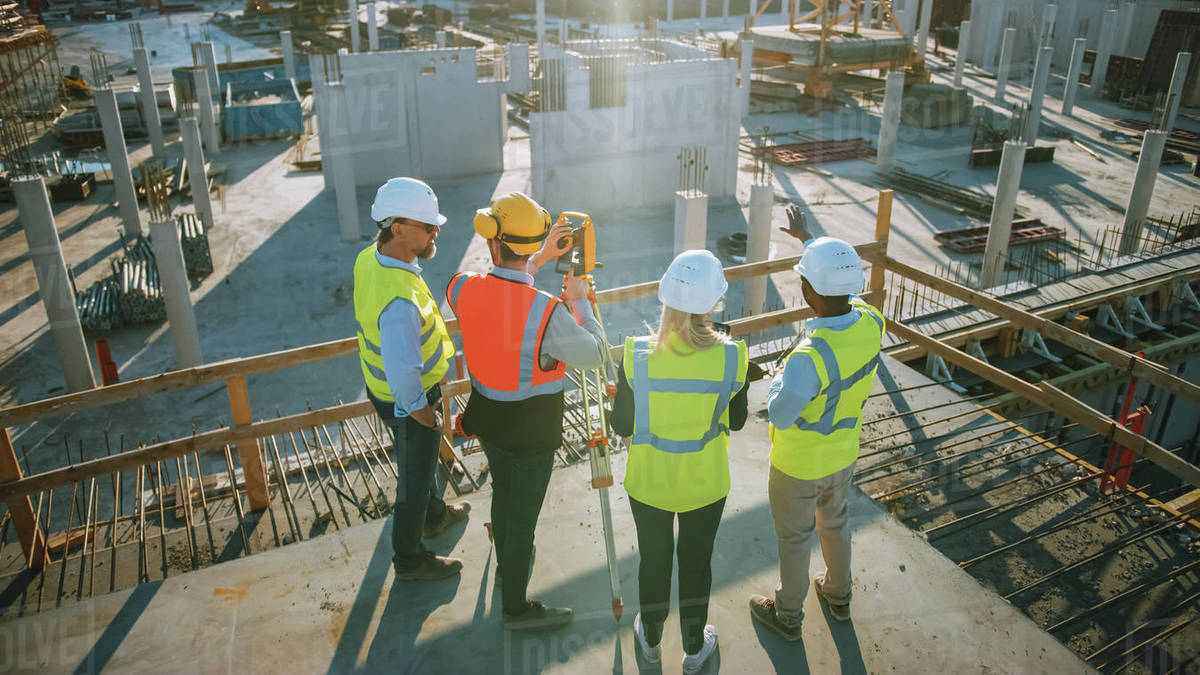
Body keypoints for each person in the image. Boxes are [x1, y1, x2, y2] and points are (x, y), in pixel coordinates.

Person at [445, 192, 607, 631]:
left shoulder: (461, 287)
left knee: (503, 495)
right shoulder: (547, 311)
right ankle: (515, 608)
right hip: (532, 434)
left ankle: (508, 567)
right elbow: (594, 354)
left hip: (489, 423)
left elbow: (501, 290)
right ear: (531, 244)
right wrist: (580, 301)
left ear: (493, 244)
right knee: (523, 522)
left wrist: (535, 259)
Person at [610, 250, 748, 673]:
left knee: (653, 560)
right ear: (714, 303)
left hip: (649, 483)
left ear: (665, 296)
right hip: (705, 485)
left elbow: (621, 424)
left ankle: (650, 639)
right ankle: (693, 648)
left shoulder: (635, 356)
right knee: (696, 562)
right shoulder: (733, 356)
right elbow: (738, 421)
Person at [750, 205, 885, 638]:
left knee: (794, 541)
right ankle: (839, 596)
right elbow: (840, 289)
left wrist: (776, 382)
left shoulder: (807, 360)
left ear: (806, 291)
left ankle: (788, 617)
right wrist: (809, 241)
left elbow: (781, 414)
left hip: (797, 466)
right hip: (843, 455)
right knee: (837, 523)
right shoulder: (871, 321)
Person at [353, 177, 470, 582]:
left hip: (381, 390)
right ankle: (408, 560)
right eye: (427, 225)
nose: (436, 231)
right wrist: (423, 413)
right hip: (408, 400)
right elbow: (405, 373)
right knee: (414, 481)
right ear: (397, 228)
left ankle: (435, 516)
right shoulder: (399, 301)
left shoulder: (371, 257)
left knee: (420, 465)